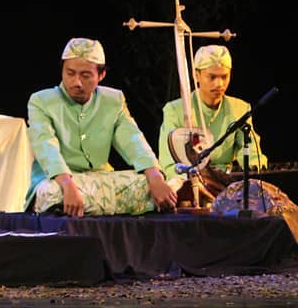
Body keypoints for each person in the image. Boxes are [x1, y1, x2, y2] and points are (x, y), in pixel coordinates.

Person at [27, 37, 177, 216]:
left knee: (150, 184)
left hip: (98, 180)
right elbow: (45, 146)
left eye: (85, 75)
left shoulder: (113, 101)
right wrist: (67, 185)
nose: (77, 82)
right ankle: (83, 205)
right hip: (57, 181)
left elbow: (133, 140)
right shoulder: (41, 101)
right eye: (70, 73)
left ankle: (89, 207)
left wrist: (155, 177)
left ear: (101, 75)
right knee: (52, 193)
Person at [158, 44, 267, 188]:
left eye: (224, 77)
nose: (219, 84)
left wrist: (254, 167)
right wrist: (187, 180)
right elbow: (168, 161)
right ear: (196, 75)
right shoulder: (175, 110)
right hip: (189, 182)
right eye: (212, 77)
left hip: (225, 183)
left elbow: (249, 149)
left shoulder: (240, 109)